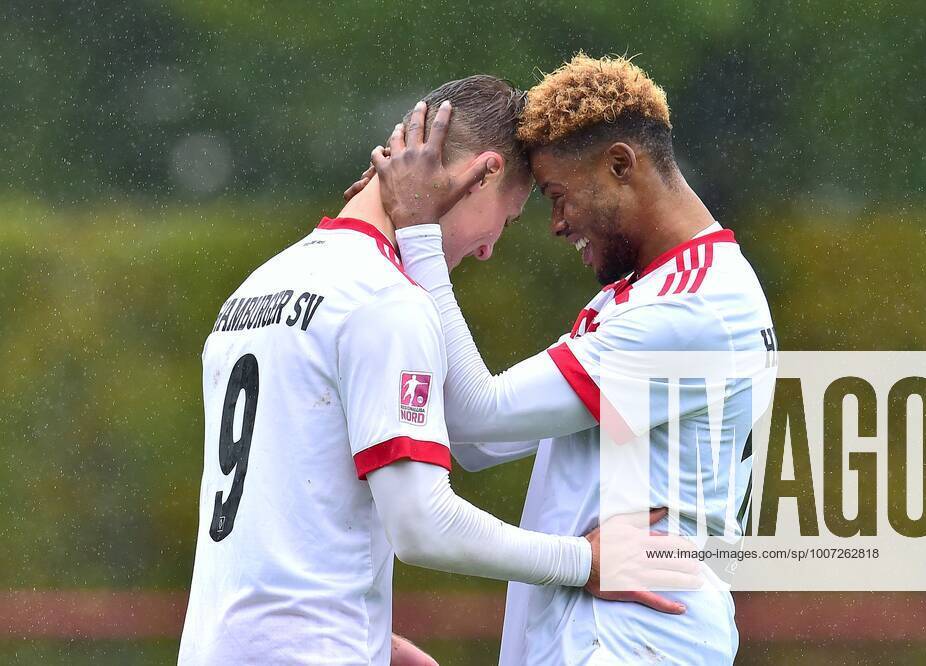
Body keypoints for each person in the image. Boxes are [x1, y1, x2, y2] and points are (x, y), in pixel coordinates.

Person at [178, 74, 695, 666]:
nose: (487, 248)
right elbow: (422, 524)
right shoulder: (385, 301)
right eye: (511, 214)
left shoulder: (254, 292)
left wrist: (374, 634)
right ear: (483, 175)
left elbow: (278, 517)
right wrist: (585, 561)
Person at [362, 54, 777, 664]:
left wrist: (419, 232)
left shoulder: (693, 305)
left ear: (619, 165)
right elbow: (476, 444)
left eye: (559, 196)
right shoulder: (641, 294)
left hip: (634, 638)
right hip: (609, 633)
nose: (557, 223)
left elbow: (480, 416)